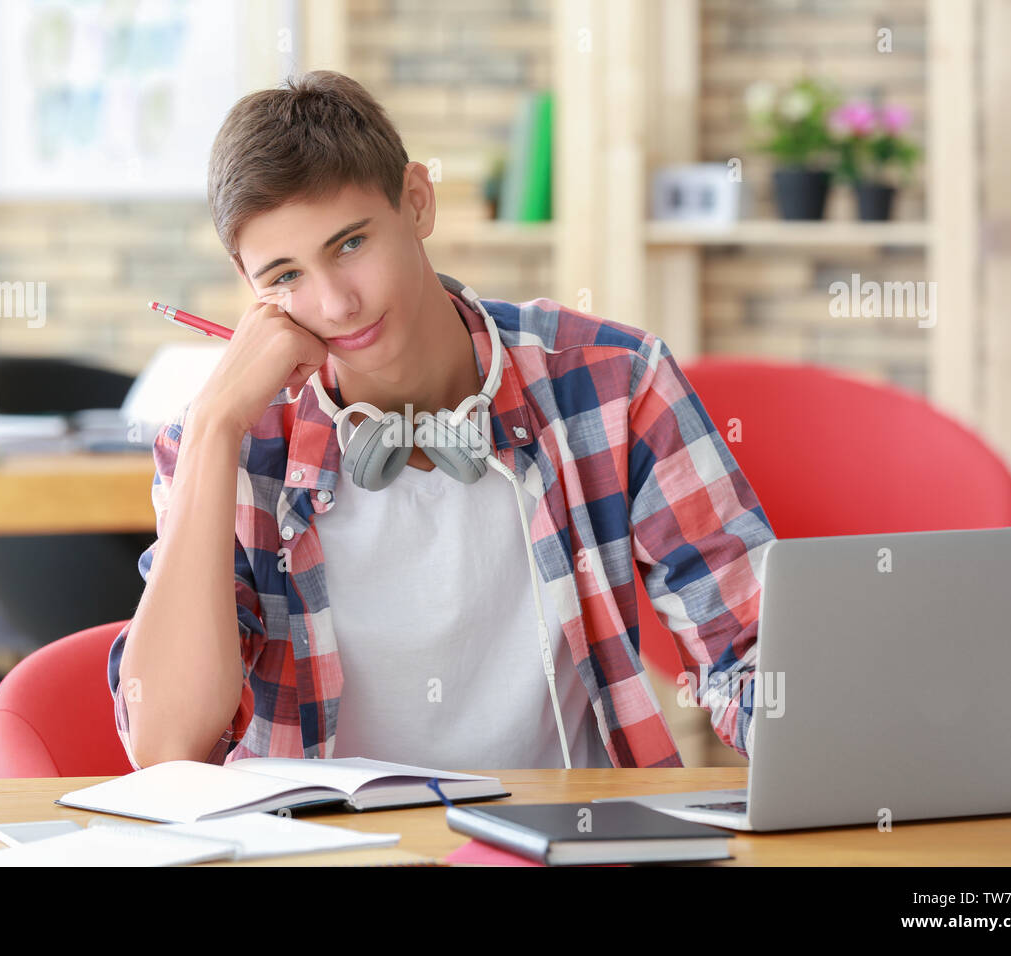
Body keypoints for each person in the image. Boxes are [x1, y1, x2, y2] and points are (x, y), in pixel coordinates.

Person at [108, 70, 775, 771]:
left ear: (417, 203)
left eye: (350, 244)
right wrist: (214, 426)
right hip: (314, 850)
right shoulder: (230, 443)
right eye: (285, 276)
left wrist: (841, 744)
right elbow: (166, 748)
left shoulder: (613, 383)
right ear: (252, 292)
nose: (336, 304)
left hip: (570, 842)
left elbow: (750, 658)